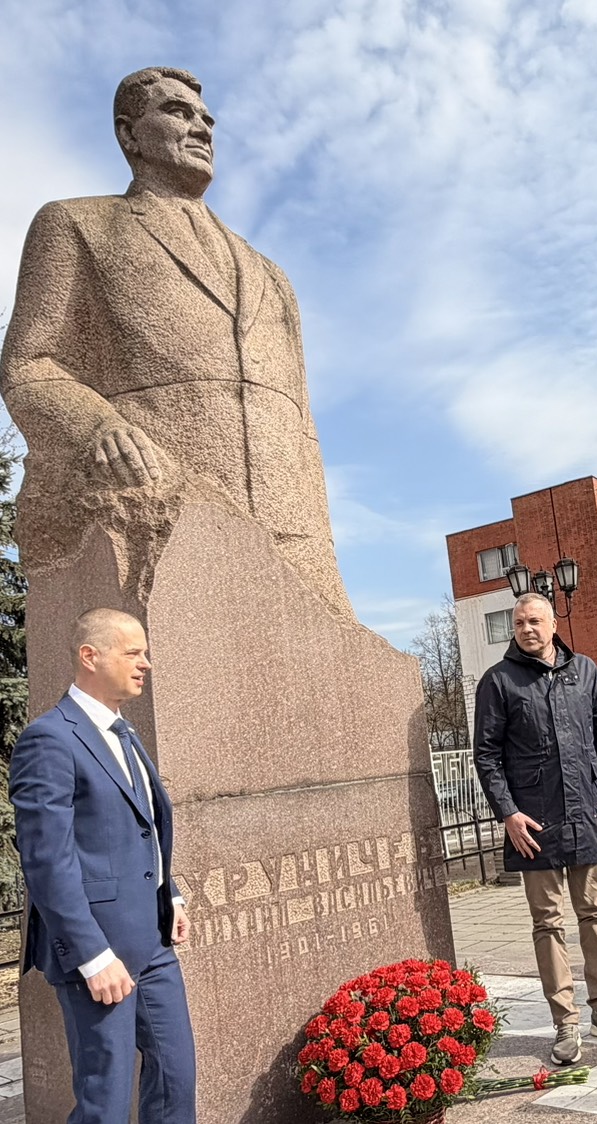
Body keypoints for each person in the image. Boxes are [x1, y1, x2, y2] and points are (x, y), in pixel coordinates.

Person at [0, 67, 349, 615]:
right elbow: (28, 364)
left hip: (294, 533)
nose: (202, 128)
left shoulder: (271, 274)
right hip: (165, 503)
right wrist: (98, 426)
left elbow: (303, 425)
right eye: (178, 112)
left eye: (207, 119)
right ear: (129, 133)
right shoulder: (77, 224)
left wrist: (318, 538)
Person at [8, 609, 196, 1122]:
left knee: (176, 1082)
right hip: (99, 953)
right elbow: (47, 860)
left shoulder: (124, 732)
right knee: (105, 1104)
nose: (146, 664)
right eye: (133, 653)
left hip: (153, 944)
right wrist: (91, 955)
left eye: (145, 653)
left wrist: (169, 892)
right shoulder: (49, 739)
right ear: (90, 656)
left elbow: (139, 827)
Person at [473, 592, 597, 1065]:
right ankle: (565, 1021)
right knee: (547, 922)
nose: (527, 629)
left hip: (586, 813)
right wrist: (507, 812)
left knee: (595, 913)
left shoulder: (584, 671)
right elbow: (486, 754)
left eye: (535, 621)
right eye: (519, 623)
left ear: (552, 624)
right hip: (533, 823)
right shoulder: (499, 681)